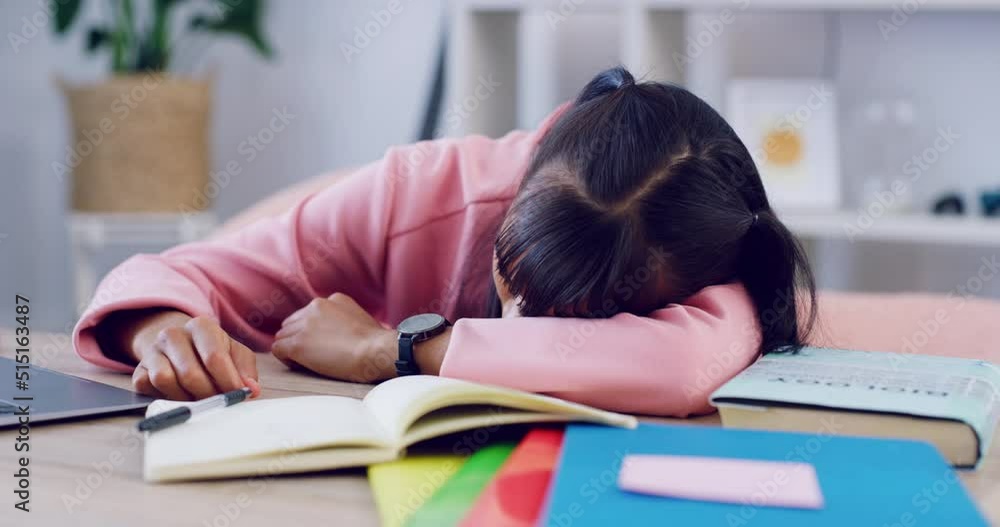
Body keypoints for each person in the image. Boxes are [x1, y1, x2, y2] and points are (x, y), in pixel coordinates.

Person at [73, 66, 816, 417]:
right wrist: (164, 331)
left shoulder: (699, 243)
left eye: (577, 315)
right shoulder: (422, 192)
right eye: (511, 275)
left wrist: (393, 350)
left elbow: (684, 361)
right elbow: (172, 274)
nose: (523, 323)